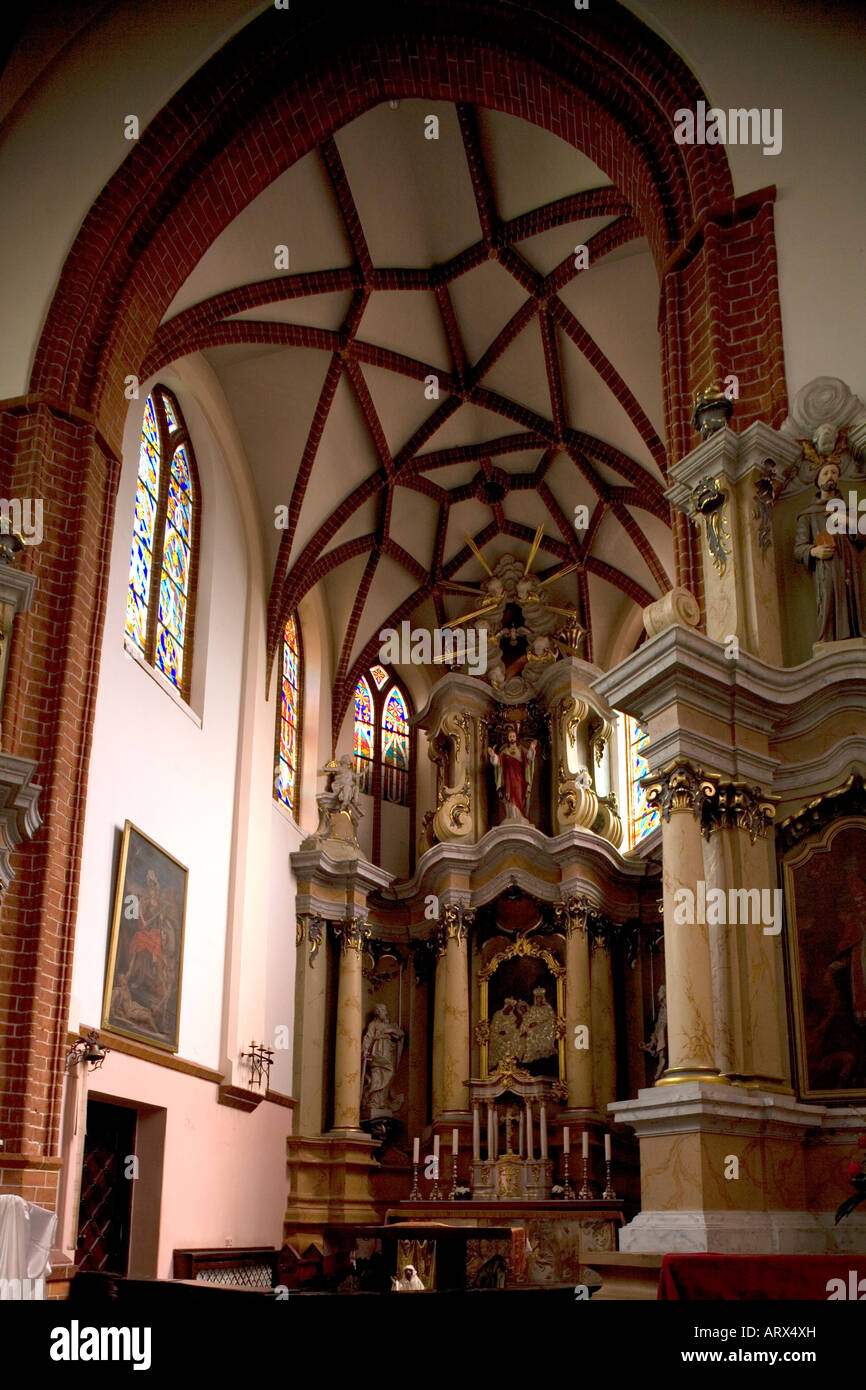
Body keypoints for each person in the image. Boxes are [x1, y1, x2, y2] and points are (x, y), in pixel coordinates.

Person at [793, 450, 864, 642]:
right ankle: (829, 640)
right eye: (825, 473)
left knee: (853, 603)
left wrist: (846, 521)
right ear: (817, 480)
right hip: (827, 567)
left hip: (850, 566)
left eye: (834, 472)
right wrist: (814, 551)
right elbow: (799, 548)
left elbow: (862, 537)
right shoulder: (808, 515)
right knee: (829, 602)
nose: (830, 476)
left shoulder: (849, 509)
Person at [361, 1004, 404, 1117]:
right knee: (376, 1076)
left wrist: (388, 1030)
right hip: (376, 1051)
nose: (385, 1012)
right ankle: (373, 1102)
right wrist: (365, 1050)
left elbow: (400, 1034)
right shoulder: (373, 1024)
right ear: (378, 1013)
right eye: (382, 1010)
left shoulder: (391, 1025)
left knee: (388, 1074)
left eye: (385, 1010)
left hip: (387, 1052)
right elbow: (368, 1037)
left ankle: (382, 1102)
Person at [489, 724, 537, 823]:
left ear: (516, 738)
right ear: (508, 738)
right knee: (509, 795)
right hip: (508, 779)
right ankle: (511, 816)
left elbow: (529, 758)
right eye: (510, 736)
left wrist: (532, 749)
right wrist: (493, 755)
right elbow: (498, 763)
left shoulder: (521, 750)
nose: (512, 738)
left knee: (519, 794)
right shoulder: (504, 751)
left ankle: (519, 815)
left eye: (513, 736)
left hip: (519, 778)